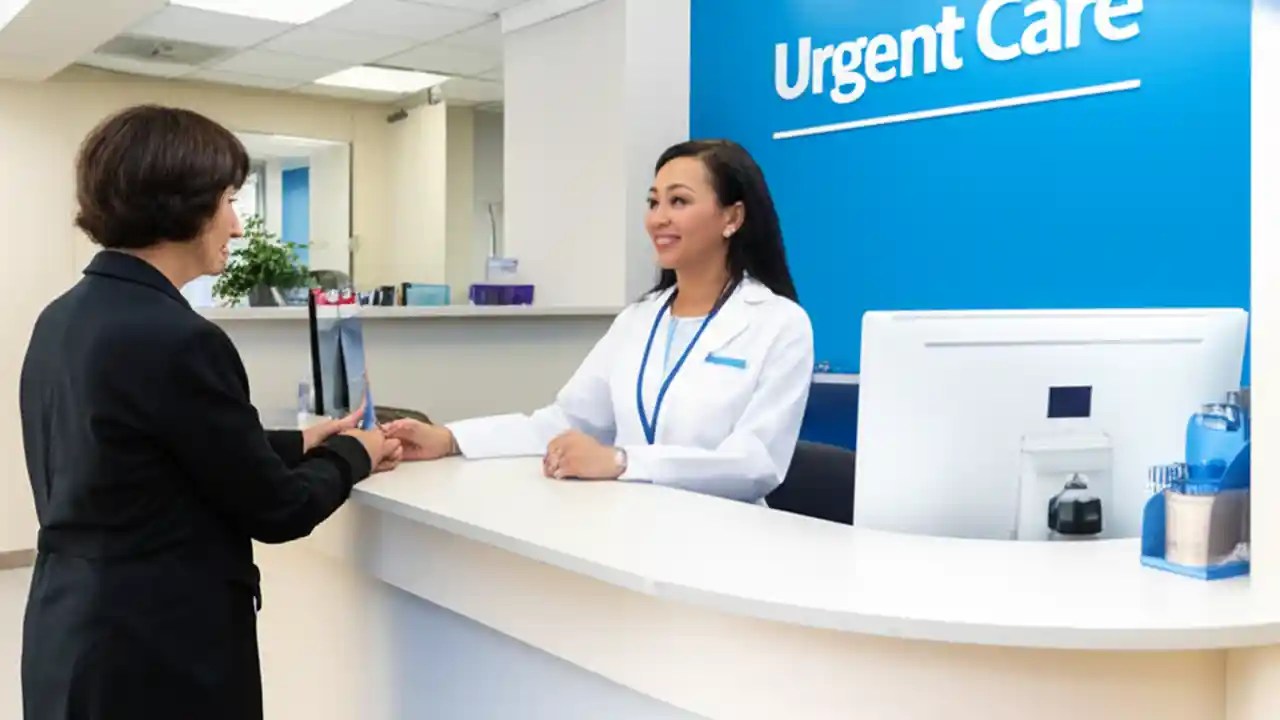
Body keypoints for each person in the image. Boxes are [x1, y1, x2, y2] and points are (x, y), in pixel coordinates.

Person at [18, 105, 402, 720]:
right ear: (183, 205)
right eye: (228, 200)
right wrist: (357, 452)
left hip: (71, 632)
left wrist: (300, 442)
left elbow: (147, 453)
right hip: (159, 653)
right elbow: (277, 509)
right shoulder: (179, 337)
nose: (237, 225)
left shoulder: (65, 317)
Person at [386, 140, 814, 504]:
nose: (658, 218)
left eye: (678, 201)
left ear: (732, 218)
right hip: (627, 525)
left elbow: (755, 464)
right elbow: (562, 422)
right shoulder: (638, 320)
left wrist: (621, 461)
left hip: (726, 540)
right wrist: (449, 439)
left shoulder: (779, 323)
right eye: (653, 202)